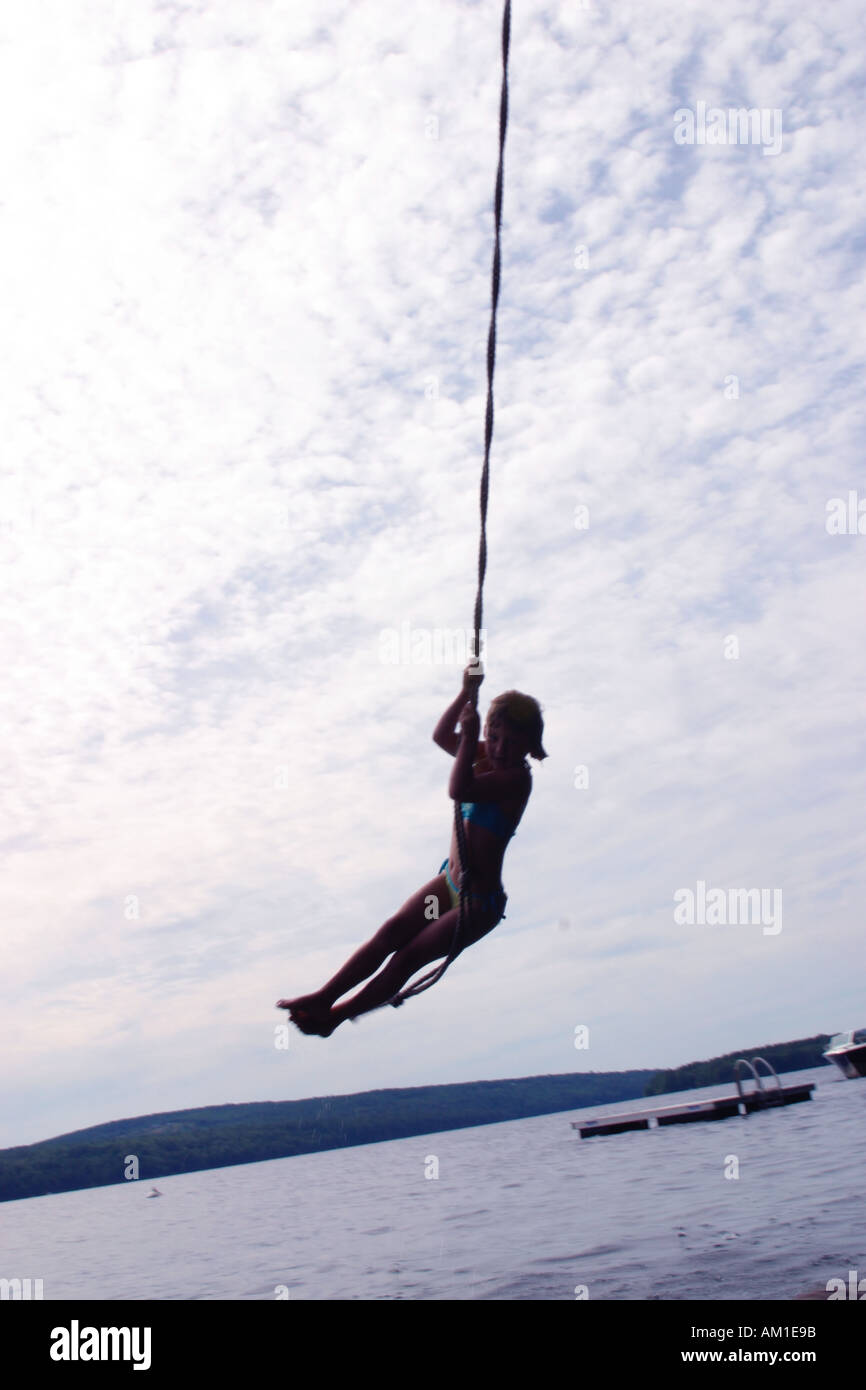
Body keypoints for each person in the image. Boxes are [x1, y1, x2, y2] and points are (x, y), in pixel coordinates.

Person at [278, 666, 546, 1036]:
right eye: (493, 737)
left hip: (476, 903)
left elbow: (459, 789)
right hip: (448, 884)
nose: (499, 749)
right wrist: (464, 696)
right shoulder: (484, 752)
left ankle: (334, 1018)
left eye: (511, 743)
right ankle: (324, 998)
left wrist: (470, 739)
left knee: (407, 958)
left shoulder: (516, 778)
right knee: (391, 932)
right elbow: (441, 737)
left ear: (529, 746)